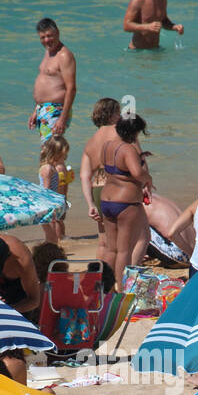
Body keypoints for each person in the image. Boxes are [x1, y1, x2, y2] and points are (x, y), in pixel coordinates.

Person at [98, 113, 152, 285]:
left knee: (110, 248)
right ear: (133, 132)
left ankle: (104, 287)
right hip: (126, 203)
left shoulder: (107, 146)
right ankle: (121, 290)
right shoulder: (128, 149)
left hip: (107, 200)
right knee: (124, 251)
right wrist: (148, 178)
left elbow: (108, 169)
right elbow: (137, 173)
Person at [80, 97, 124, 267]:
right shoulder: (121, 133)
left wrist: (90, 204)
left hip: (97, 189)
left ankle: (101, 280)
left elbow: (85, 176)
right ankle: (118, 280)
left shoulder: (90, 142)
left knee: (103, 241)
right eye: (118, 112)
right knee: (122, 242)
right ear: (112, 114)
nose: (120, 116)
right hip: (117, 187)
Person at [30, 18, 76, 146]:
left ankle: (59, 167)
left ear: (58, 33)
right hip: (43, 109)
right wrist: (36, 110)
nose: (46, 40)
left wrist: (63, 118)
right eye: (42, 37)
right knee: (49, 152)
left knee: (50, 152)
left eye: (49, 36)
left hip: (56, 110)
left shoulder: (64, 56)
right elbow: (45, 80)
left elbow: (71, 88)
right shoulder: (48, 52)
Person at [0, 234, 41, 315]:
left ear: (8, 257)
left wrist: (9, 310)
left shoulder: (23, 261)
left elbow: (34, 300)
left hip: (16, 293)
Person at [38, 135, 71, 243]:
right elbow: (46, 190)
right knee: (53, 229)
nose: (65, 157)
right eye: (63, 155)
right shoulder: (47, 168)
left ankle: (56, 245)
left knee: (54, 228)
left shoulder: (52, 167)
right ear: (55, 153)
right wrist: (48, 206)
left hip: (53, 203)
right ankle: (54, 246)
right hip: (48, 204)